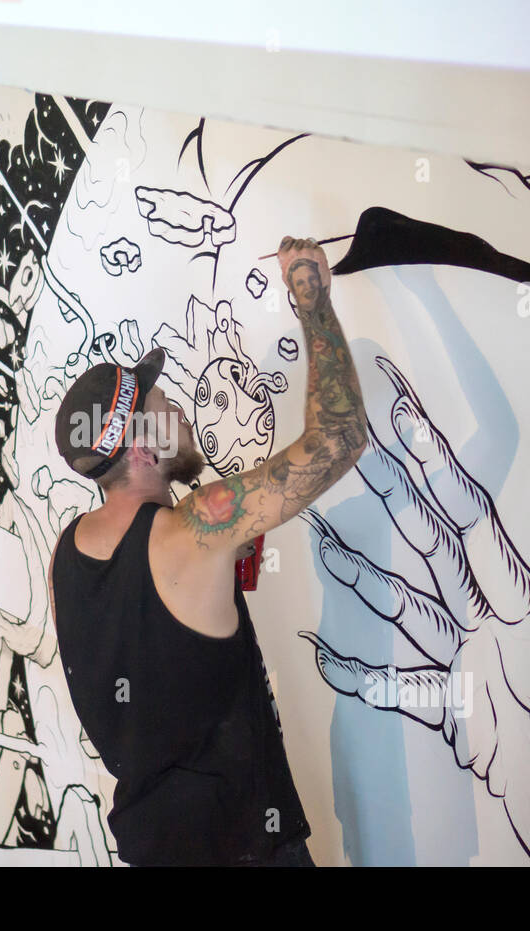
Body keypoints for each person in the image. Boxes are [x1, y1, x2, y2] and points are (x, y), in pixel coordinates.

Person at [48, 236, 367, 865]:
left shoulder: (68, 553)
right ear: (142, 441)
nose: (181, 408)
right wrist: (310, 292)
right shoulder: (194, 530)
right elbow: (339, 436)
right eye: (164, 403)